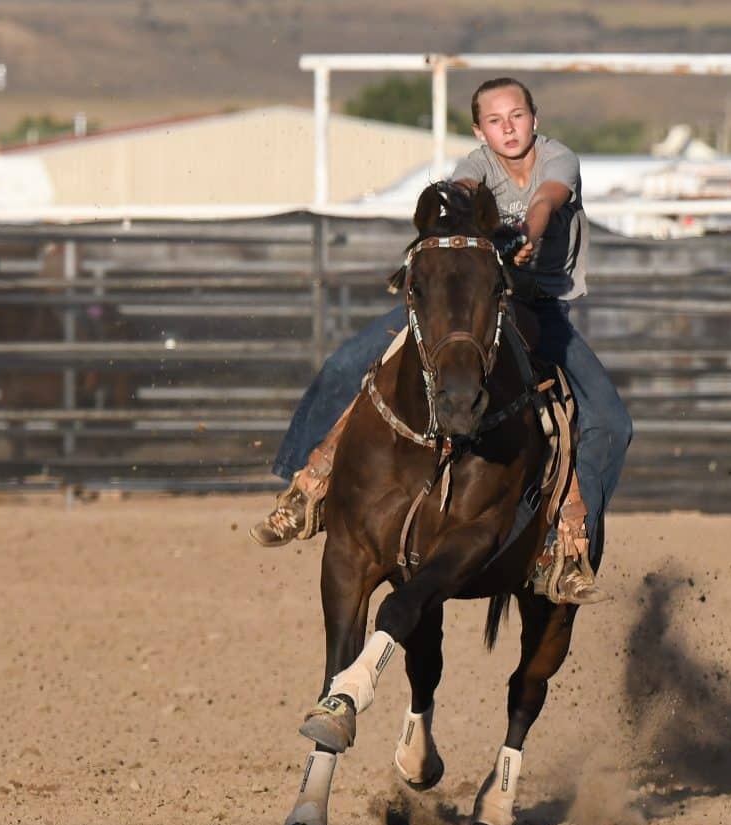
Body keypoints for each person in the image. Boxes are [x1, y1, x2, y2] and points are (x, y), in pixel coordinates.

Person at [250, 77, 632, 605]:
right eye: (495, 121)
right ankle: (303, 488)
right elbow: (465, 195)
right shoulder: (474, 168)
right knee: (346, 364)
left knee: (611, 421)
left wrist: (533, 235)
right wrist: (458, 208)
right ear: (480, 130)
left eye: (516, 116)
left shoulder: (557, 159)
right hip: (463, 307)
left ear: (534, 119)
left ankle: (568, 543)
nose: (508, 128)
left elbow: (547, 199)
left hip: (540, 309)